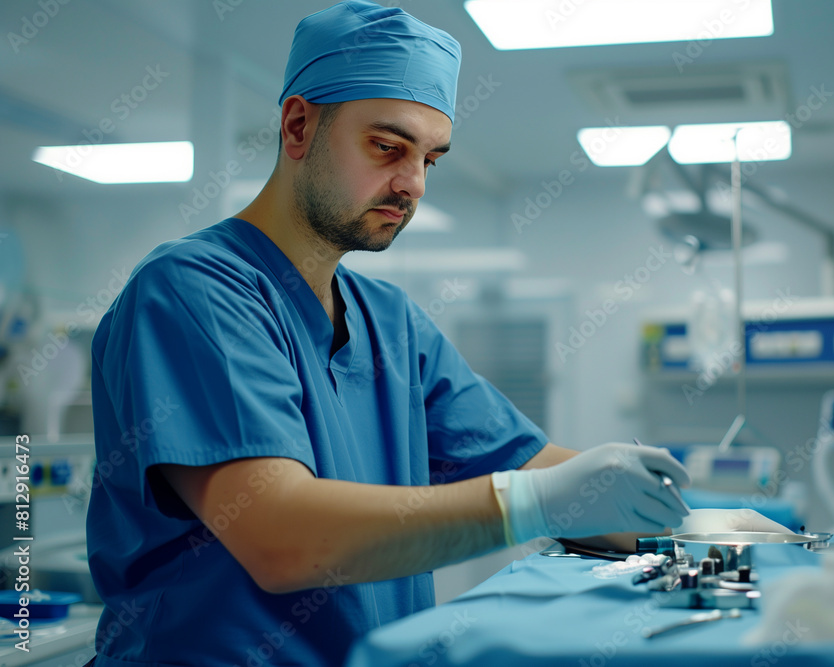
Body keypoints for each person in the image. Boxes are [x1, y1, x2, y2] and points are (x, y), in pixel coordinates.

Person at [85, 2, 786, 665]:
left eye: (431, 158)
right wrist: (533, 503)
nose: (413, 183)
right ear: (298, 127)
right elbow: (280, 537)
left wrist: (693, 530)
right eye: (388, 147)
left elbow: (535, 467)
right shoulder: (191, 290)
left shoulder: (391, 323)